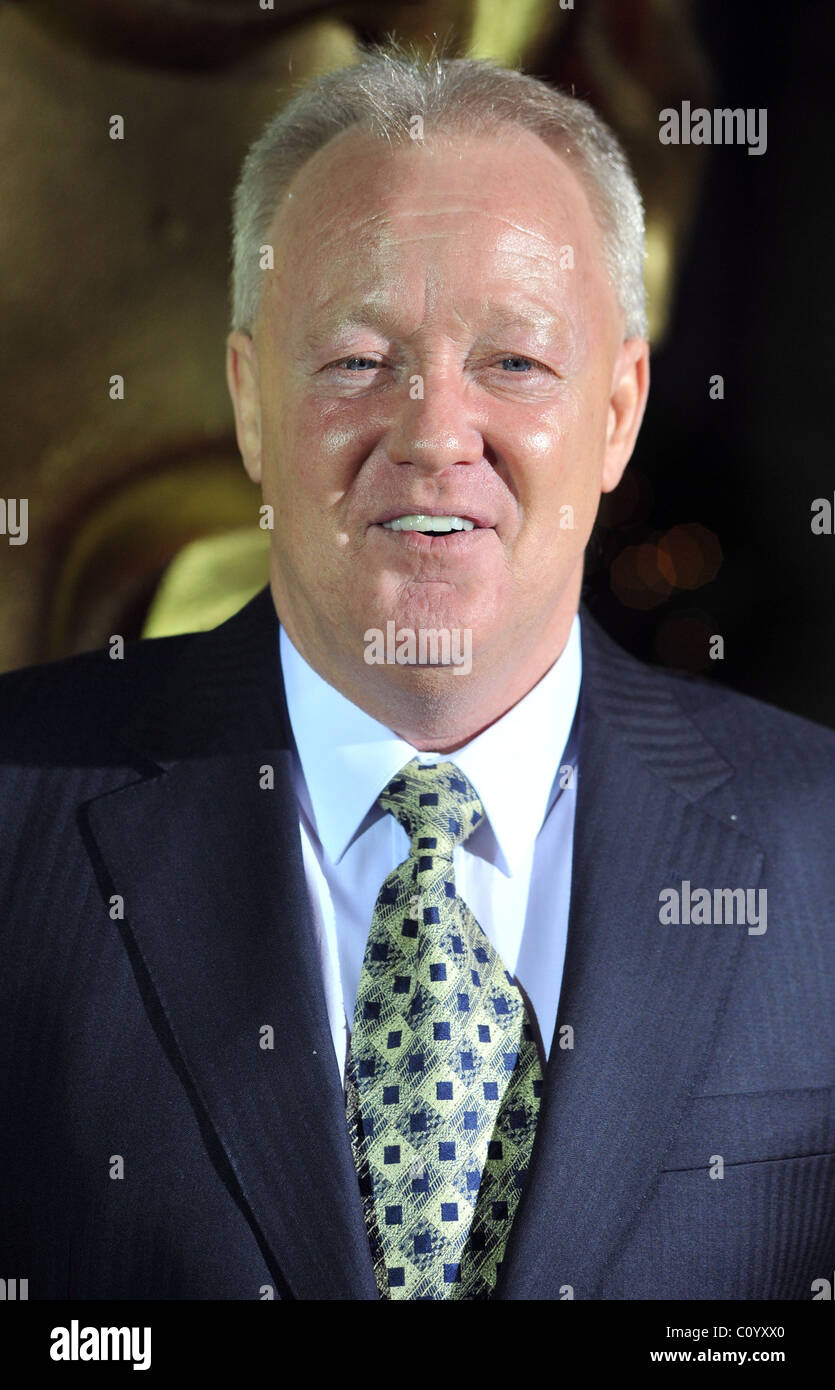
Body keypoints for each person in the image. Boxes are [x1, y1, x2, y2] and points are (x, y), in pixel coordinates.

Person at [1, 49, 833, 1302]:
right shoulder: (15, 821)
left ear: (618, 412)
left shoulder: (818, 843)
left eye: (513, 363)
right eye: (352, 359)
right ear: (247, 401)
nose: (436, 433)